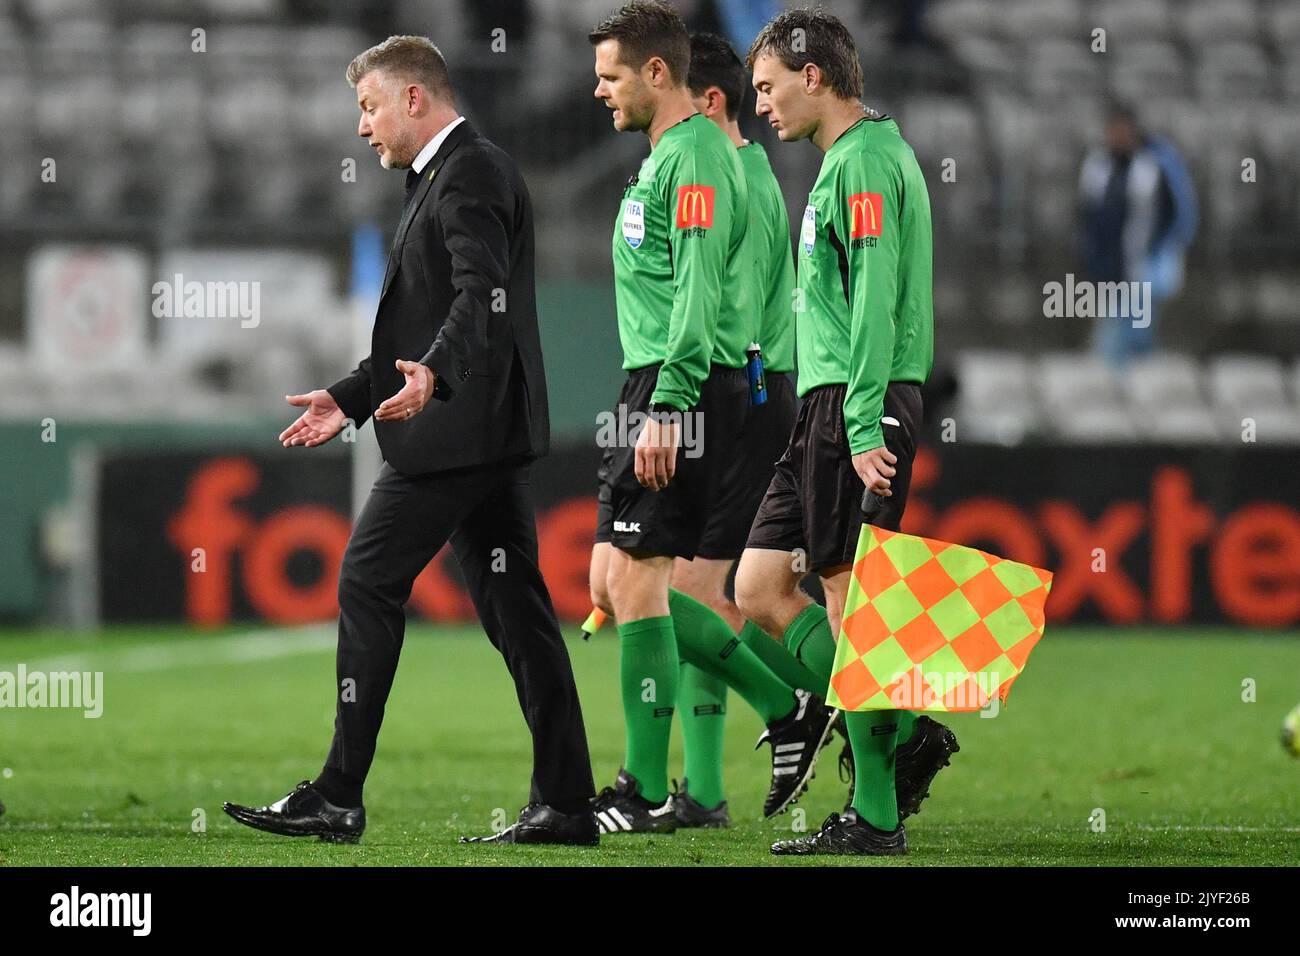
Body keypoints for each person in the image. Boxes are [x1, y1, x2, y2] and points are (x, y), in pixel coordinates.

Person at [223, 35, 598, 847]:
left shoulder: (472, 172)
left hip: (458, 429)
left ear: (415, 98)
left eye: (369, 106)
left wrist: (433, 374)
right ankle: (567, 803)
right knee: (517, 612)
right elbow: (433, 316)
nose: (363, 127)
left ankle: (338, 795)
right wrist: (350, 397)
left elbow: (481, 294)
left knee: (366, 579)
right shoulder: (444, 175)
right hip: (474, 425)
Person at [585, 1, 835, 835]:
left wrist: (671, 399)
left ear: (679, 83)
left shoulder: (705, 164)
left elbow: (705, 302)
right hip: (700, 384)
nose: (598, 92)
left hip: (712, 387)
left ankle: (686, 770)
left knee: (671, 587)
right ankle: (700, 777)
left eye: (611, 76)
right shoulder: (688, 160)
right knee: (644, 583)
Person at [736, 7, 956, 856]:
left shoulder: (863, 166)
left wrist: (863, 419)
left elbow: (870, 305)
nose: (762, 106)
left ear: (812, 76)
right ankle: (903, 731)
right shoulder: (856, 160)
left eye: (767, 87)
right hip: (825, 408)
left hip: (856, 406)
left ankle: (874, 817)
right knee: (758, 587)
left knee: (851, 605)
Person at [1078, 100, 1198, 367]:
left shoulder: (1155, 164)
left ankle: (1134, 386)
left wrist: (1160, 254)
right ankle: (1125, 385)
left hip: (1145, 265)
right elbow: (1089, 217)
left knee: (1131, 335)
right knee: (1118, 335)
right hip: (1109, 268)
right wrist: (1091, 257)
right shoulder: (1097, 165)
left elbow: (1179, 215)